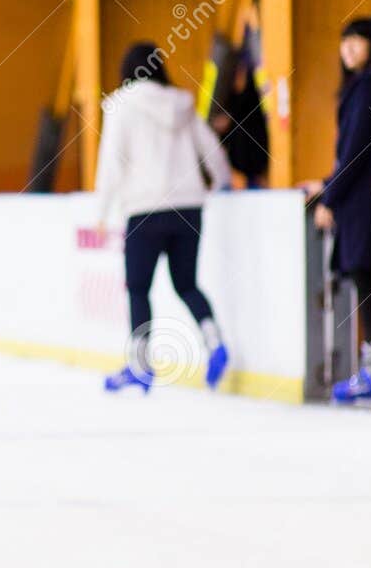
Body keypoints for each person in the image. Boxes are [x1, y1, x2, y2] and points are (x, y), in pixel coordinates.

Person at [96, 41, 232, 393]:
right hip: (189, 208)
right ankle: (214, 342)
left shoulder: (121, 106)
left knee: (139, 288)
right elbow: (212, 152)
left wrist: (101, 212)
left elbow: (111, 163)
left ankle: (140, 365)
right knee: (186, 283)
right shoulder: (182, 105)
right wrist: (221, 183)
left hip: (144, 211)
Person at [301, 16, 371, 403]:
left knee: (368, 281)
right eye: (344, 41)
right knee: (370, 281)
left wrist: (330, 196)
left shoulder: (370, 87)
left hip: (364, 198)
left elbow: (356, 149)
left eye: (357, 42)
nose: (347, 49)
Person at [209, 46, 270, 188]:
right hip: (239, 160)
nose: (238, 76)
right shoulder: (231, 98)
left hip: (254, 158)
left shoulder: (252, 97)